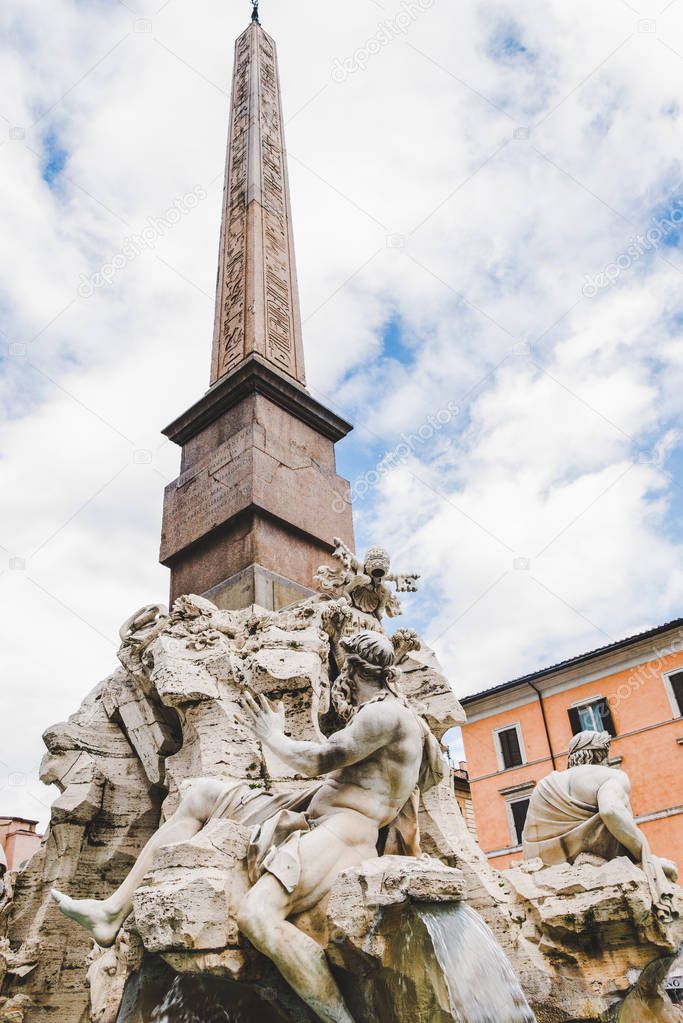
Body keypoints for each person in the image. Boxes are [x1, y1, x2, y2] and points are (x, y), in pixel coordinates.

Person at [52, 631, 445, 1023]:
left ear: (351, 668)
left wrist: (274, 736)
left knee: (257, 915)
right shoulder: (388, 712)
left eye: (342, 666)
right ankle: (111, 911)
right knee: (201, 795)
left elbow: (319, 760)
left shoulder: (385, 714)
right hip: (311, 808)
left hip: (346, 830)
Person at [522, 729, 678, 920]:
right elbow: (611, 811)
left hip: (548, 867)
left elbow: (530, 837)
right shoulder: (611, 776)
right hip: (603, 857)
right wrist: (647, 858)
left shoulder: (545, 784)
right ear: (601, 754)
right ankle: (643, 866)